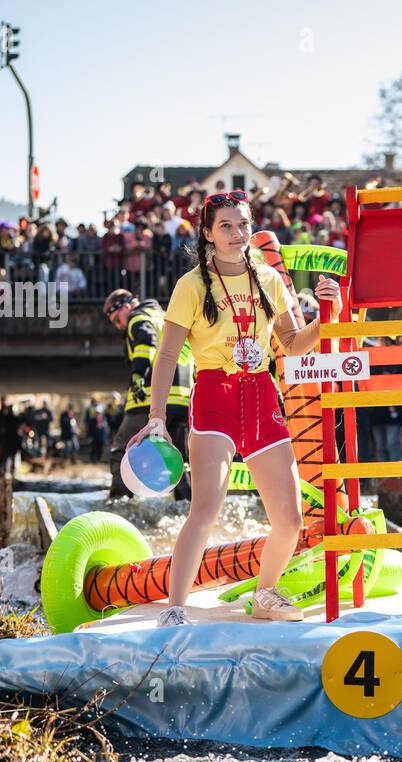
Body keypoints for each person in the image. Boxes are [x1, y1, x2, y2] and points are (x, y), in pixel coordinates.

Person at [127, 189, 336, 624]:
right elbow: (166, 355)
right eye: (225, 225)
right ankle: (176, 608)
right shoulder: (191, 285)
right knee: (206, 508)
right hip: (214, 398)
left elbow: (293, 345)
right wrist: (157, 417)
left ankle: (265, 595)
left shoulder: (270, 280)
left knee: (291, 517)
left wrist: (329, 315)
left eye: (243, 223)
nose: (237, 233)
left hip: (261, 396)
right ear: (207, 233)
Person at [104, 288, 194, 500]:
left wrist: (138, 375)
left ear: (126, 306)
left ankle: (119, 506)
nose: (119, 326)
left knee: (122, 450)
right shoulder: (167, 319)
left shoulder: (139, 319)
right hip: (182, 402)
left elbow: (146, 343)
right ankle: (186, 506)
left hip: (149, 400)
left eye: (117, 319)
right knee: (178, 459)